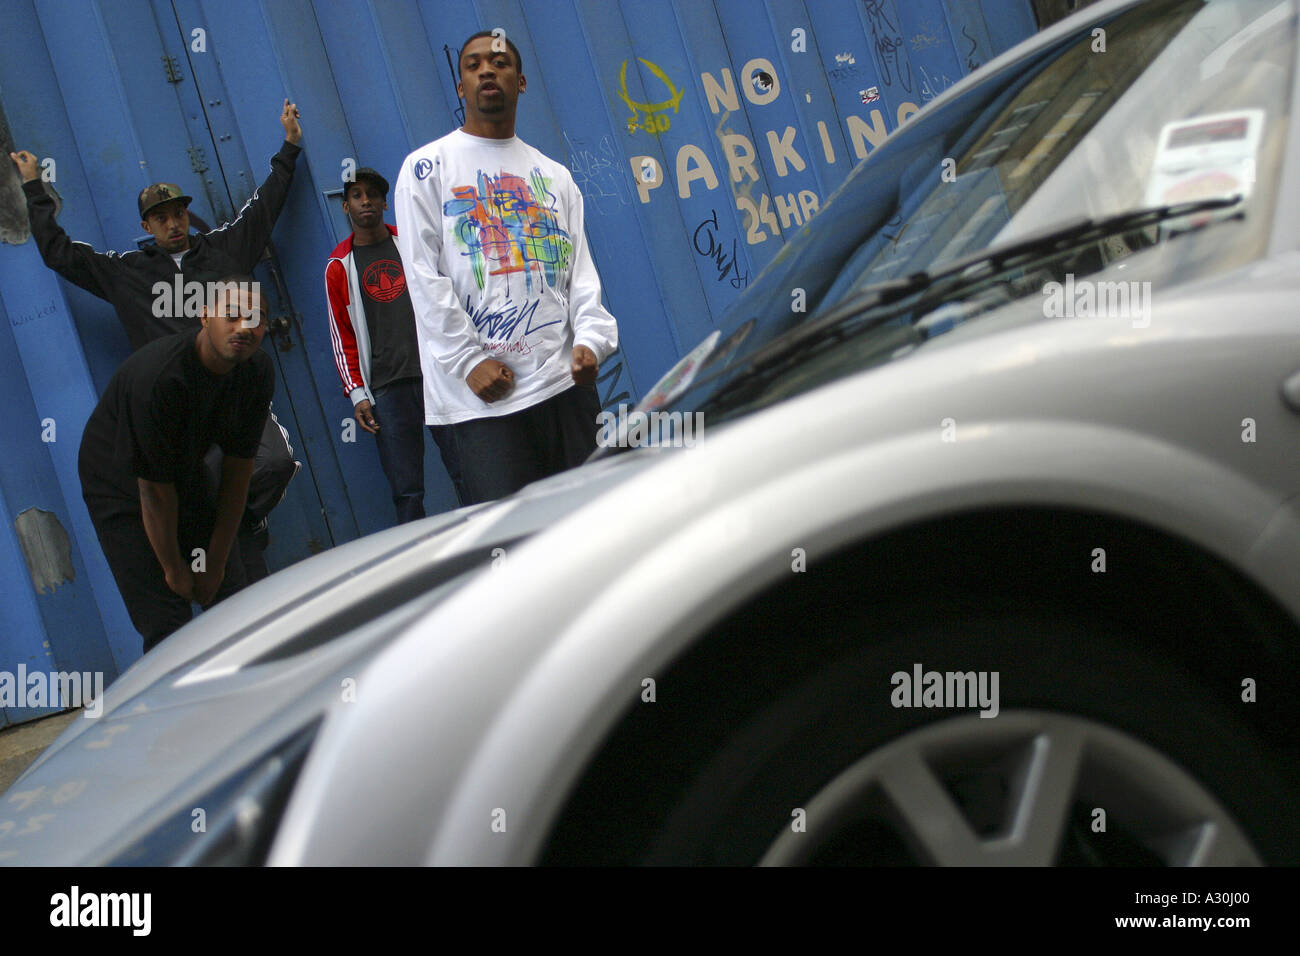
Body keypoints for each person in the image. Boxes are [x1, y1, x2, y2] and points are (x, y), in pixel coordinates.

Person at [10, 100, 304, 578]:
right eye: (160, 218)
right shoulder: (127, 272)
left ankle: (244, 524)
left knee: (272, 465)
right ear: (146, 226)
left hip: (231, 391)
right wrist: (33, 188)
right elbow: (61, 255)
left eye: (178, 213)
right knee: (199, 505)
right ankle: (231, 551)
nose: (172, 224)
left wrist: (289, 148)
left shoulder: (226, 247)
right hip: (175, 405)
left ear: (188, 214)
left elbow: (266, 206)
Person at [394, 30, 619, 506]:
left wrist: (591, 340)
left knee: (595, 528)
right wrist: (469, 361)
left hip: (564, 389)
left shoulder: (555, 176)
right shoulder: (426, 169)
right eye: (473, 65)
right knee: (515, 552)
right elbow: (422, 277)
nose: (486, 71)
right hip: (480, 405)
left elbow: (580, 271)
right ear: (460, 88)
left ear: (520, 82)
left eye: (498, 63)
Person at [78, 278, 273, 653]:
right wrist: (173, 568)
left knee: (232, 602)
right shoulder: (160, 378)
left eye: (256, 318)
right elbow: (153, 491)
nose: (244, 327)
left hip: (184, 473)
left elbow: (237, 473)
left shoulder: (256, 372)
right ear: (204, 316)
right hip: (120, 485)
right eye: (231, 316)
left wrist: (213, 563)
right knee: (168, 625)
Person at [325, 167, 455, 521]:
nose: (365, 200)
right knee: (407, 490)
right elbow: (342, 336)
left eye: (372, 194)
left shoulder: (410, 246)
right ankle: (421, 564)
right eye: (356, 195)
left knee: (467, 466)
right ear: (345, 207)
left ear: (384, 203)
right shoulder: (339, 266)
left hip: (435, 377)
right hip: (387, 390)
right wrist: (357, 393)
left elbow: (446, 300)